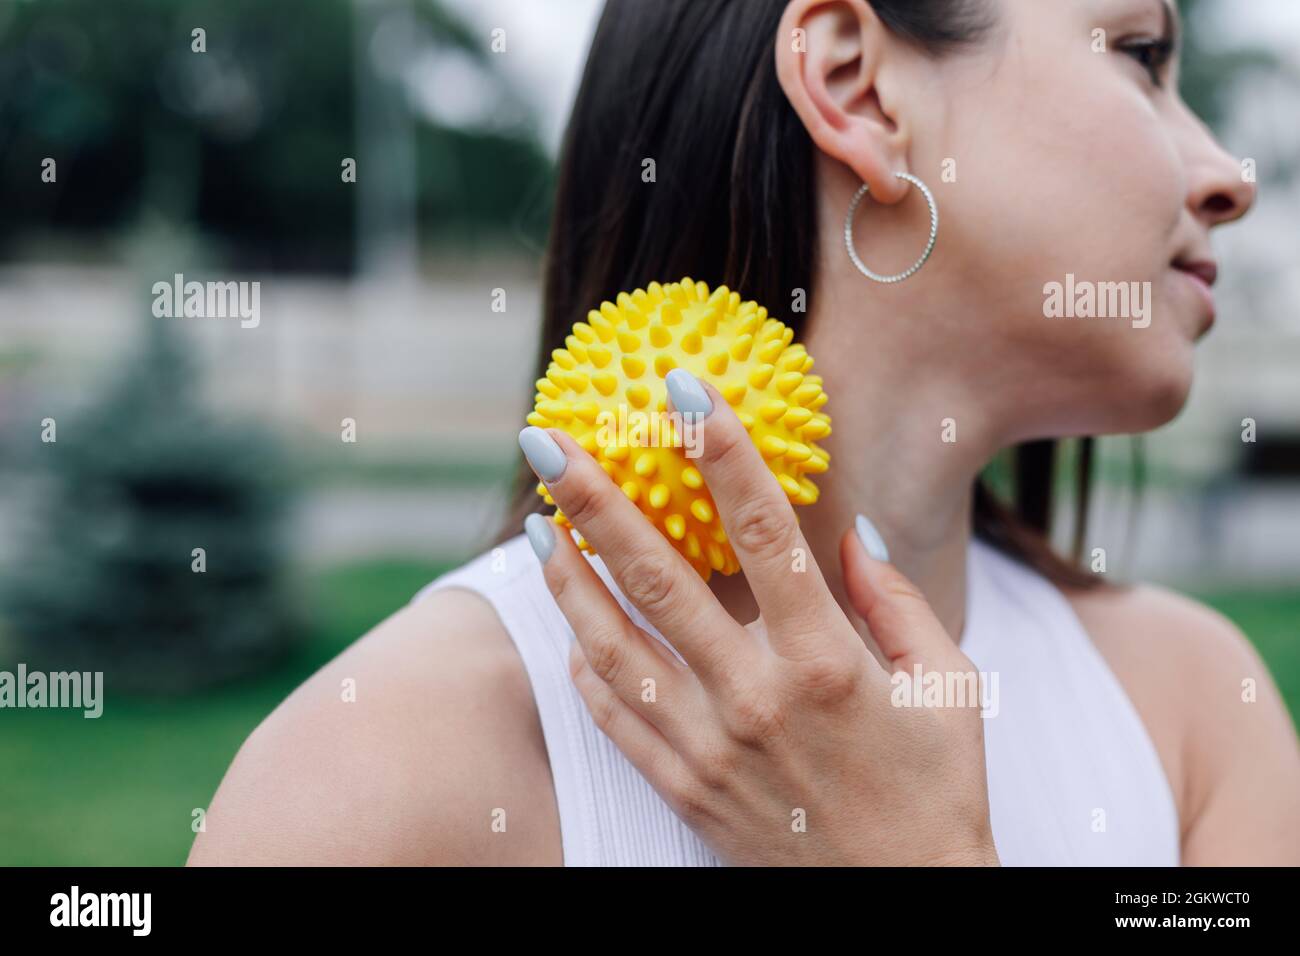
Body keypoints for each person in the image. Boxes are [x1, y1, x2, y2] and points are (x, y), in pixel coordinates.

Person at [189, 0, 1299, 866]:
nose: (1224, 177)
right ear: (853, 88)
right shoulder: (374, 767)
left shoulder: (1198, 709)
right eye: (1143, 56)